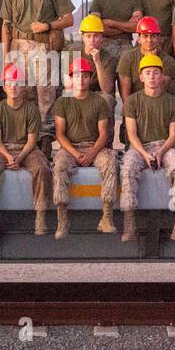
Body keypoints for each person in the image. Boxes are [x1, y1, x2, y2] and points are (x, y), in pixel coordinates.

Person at [1, 0, 74, 141]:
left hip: (43, 46)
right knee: (20, 93)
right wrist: (6, 58)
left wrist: (48, 26)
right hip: (18, 45)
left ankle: (45, 141)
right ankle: (23, 139)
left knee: (46, 94)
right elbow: (6, 27)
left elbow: (69, 19)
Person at [121, 54, 175, 242]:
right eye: (147, 73)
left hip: (164, 145)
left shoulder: (172, 102)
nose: (151, 76)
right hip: (139, 147)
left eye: (155, 73)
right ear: (141, 77)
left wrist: (160, 152)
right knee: (127, 168)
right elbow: (131, 134)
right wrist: (144, 154)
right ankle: (129, 221)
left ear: (162, 76)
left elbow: (173, 135)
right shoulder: (132, 102)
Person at [51, 57, 118, 238]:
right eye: (77, 76)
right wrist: (75, 153)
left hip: (93, 146)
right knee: (59, 167)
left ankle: (107, 216)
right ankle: (62, 219)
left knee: (111, 164)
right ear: (71, 79)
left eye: (85, 76)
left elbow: (103, 134)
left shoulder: (99, 102)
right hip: (70, 147)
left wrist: (91, 153)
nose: (81, 80)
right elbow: (60, 134)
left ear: (90, 79)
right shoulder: (62, 102)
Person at [0, 62, 51, 237]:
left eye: (17, 83)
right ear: (4, 87)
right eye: (9, 83)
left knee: (42, 168)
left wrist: (19, 158)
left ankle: (41, 215)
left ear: (23, 86)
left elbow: (32, 140)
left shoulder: (31, 109)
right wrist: (7, 156)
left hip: (26, 150)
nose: (13, 87)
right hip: (2, 149)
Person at [87, 0, 142, 69]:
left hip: (126, 46)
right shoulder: (98, 1)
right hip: (105, 45)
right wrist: (126, 27)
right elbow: (97, 28)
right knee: (106, 82)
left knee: (126, 82)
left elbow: (136, 26)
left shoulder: (133, 0)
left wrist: (111, 23)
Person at [117, 17, 175, 102]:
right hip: (135, 104)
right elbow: (125, 94)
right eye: (145, 36)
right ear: (139, 39)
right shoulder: (128, 58)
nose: (149, 40)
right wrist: (130, 110)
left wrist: (153, 61)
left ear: (158, 39)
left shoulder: (168, 60)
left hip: (159, 103)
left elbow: (163, 87)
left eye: (153, 36)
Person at [78, 14, 118, 110]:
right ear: (83, 37)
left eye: (96, 36)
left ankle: (104, 125)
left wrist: (97, 61)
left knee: (107, 99)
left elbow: (107, 89)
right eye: (88, 36)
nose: (92, 40)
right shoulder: (72, 53)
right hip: (78, 91)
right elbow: (68, 85)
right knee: (63, 99)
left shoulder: (109, 58)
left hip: (98, 93)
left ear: (102, 37)